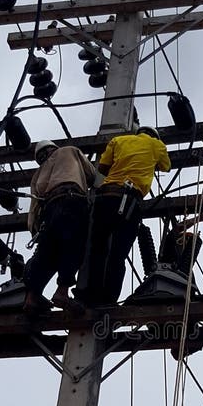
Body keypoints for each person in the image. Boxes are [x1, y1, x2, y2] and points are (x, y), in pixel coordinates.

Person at [78, 126, 171, 307]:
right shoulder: (156, 145)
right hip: (129, 200)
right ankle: (108, 300)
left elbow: (103, 168)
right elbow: (166, 166)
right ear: (154, 136)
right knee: (118, 254)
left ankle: (89, 296)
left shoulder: (119, 140)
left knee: (97, 250)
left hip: (105, 197)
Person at [23, 139, 95, 314]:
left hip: (49, 210)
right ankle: (62, 292)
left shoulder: (37, 174)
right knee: (73, 247)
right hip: (72, 200)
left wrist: (34, 229)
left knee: (47, 253)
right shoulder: (69, 151)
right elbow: (92, 176)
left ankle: (32, 297)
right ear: (53, 148)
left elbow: (34, 208)